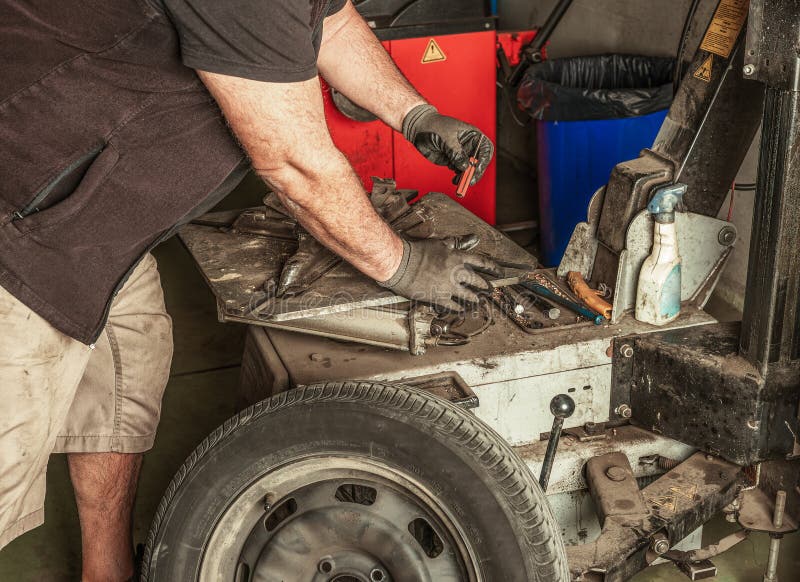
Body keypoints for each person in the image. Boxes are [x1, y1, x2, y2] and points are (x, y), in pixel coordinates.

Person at [0, 0, 497, 579]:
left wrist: (415, 114)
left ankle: (106, 573)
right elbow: (295, 166)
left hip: (91, 223)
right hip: (18, 227)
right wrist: (404, 266)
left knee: (121, 384)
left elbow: (330, 20)